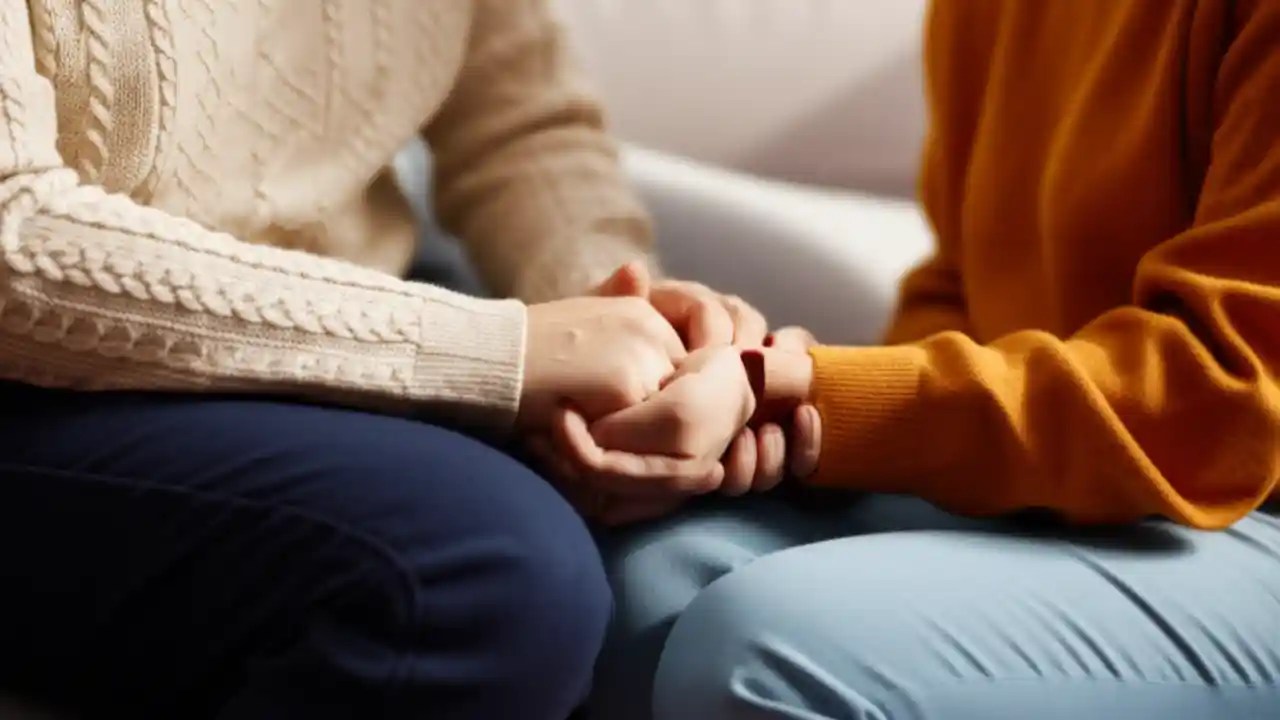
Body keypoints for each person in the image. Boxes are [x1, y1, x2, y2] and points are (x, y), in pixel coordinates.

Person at [0, 1, 779, 718]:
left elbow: (522, 129)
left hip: (360, 314)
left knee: (720, 546)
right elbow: (13, 241)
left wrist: (626, 321)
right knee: (485, 579)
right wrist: (497, 352)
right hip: (49, 371)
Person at [551, 2, 1280, 718]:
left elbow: (1219, 406)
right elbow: (958, 289)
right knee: (647, 582)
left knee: (762, 651)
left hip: (1243, 507)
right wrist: (792, 402)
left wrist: (799, 392)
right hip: (1074, 481)